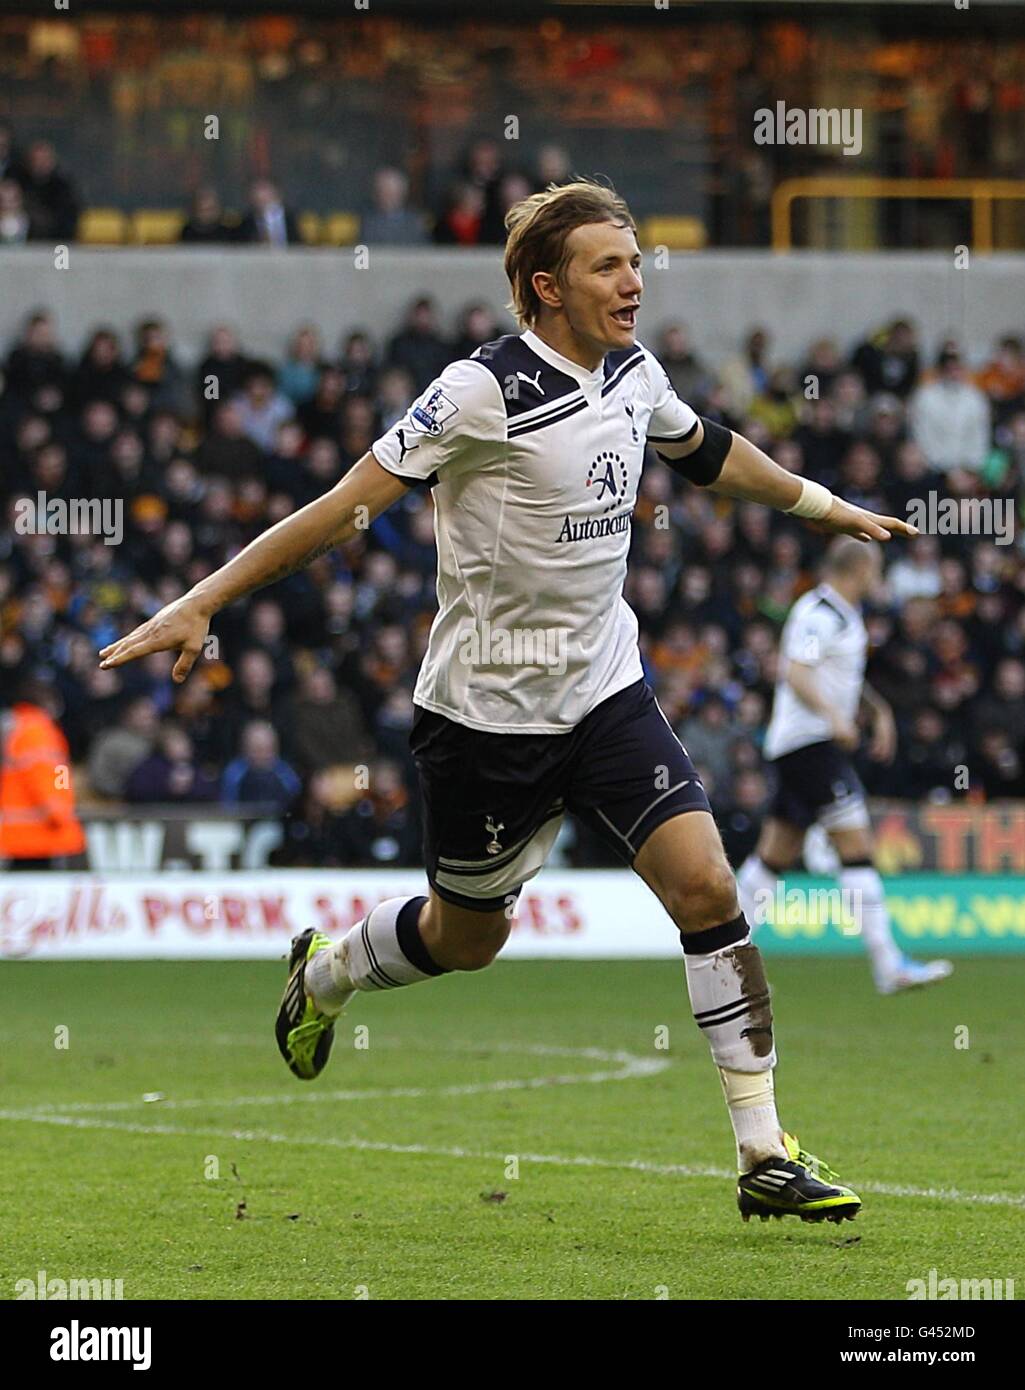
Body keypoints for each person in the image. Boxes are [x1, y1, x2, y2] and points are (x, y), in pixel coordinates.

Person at [99, 179, 918, 1226]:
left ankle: (761, 1150)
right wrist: (201, 600)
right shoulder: (476, 392)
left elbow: (705, 450)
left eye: (634, 261)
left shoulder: (632, 372)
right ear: (545, 287)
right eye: (608, 266)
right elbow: (344, 507)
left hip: (606, 692)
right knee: (465, 936)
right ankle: (331, 969)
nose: (632, 283)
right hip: (485, 715)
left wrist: (821, 506)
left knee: (708, 888)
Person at [736, 538, 952, 996]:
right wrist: (834, 717)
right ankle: (887, 963)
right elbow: (796, 671)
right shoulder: (817, 612)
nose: (878, 581)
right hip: (809, 745)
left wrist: (878, 711)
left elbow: (839, 677)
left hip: (805, 745)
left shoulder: (843, 615)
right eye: (875, 571)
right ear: (860, 569)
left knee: (774, 855)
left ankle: (725, 961)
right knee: (856, 845)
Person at [0, 674, 86, 869]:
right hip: (40, 832)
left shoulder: (23, 728)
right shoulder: (38, 731)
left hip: (26, 834)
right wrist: (60, 812)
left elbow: (59, 771)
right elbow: (48, 775)